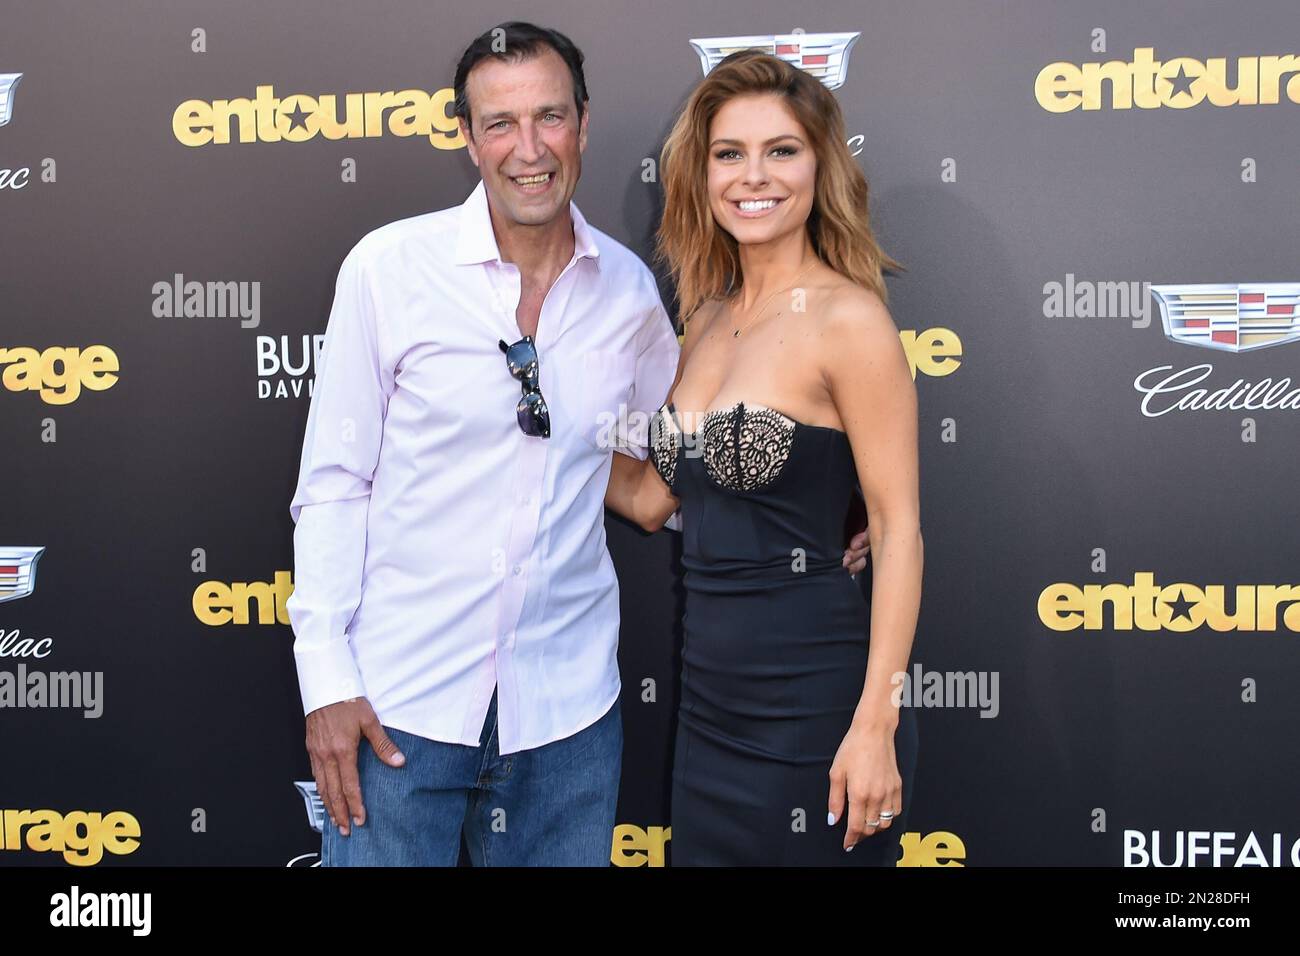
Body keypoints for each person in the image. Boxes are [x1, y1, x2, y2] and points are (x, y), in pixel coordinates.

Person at [286, 22, 871, 866]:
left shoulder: (631, 296)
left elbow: (661, 476)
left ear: (584, 125)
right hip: (398, 713)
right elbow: (334, 486)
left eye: (550, 118)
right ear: (467, 136)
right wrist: (328, 682)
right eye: (500, 123)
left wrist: (802, 520)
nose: (529, 148)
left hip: (566, 726)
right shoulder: (387, 270)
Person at [604, 49, 922, 865]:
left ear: (821, 166)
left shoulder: (849, 321)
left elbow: (895, 529)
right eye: (729, 153)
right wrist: (533, 433)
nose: (755, 175)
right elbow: (651, 502)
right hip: (708, 711)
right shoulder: (705, 319)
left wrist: (876, 723)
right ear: (701, 175)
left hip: (821, 708)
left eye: (782, 150)